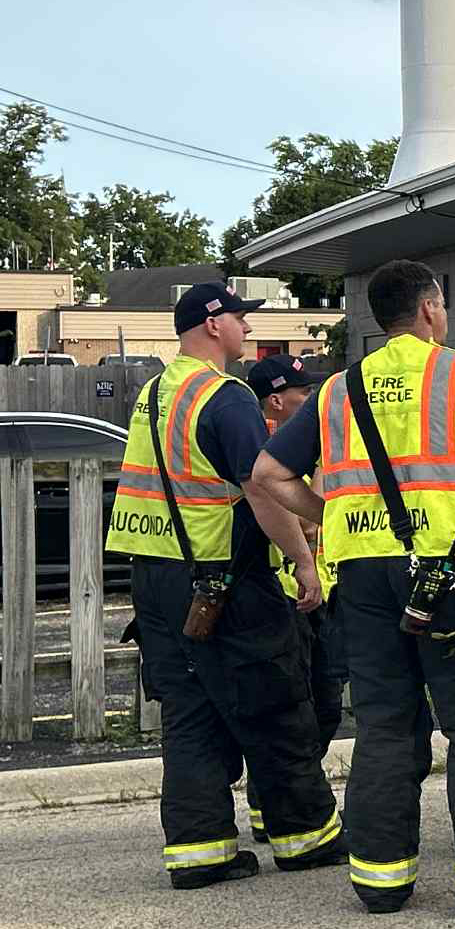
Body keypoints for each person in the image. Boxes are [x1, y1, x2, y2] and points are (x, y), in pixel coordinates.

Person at [247, 260, 455, 918]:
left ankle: (381, 877)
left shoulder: (339, 388)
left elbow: (267, 473)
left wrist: (330, 514)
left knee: (387, 720)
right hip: (451, 568)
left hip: (364, 575)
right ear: (430, 309)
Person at [105, 283, 344, 888]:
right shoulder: (225, 396)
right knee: (273, 700)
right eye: (240, 318)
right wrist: (304, 559)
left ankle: (199, 850)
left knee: (190, 715)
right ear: (213, 326)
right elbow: (262, 486)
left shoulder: (154, 393)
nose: (246, 328)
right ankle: (304, 838)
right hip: (222, 579)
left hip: (153, 580)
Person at [242, 353, 349, 844]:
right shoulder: (268, 448)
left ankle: (275, 804)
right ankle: (277, 807)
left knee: (324, 706)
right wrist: (324, 472)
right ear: (277, 400)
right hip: (288, 594)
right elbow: (306, 520)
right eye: (304, 395)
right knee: (299, 708)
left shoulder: (305, 446)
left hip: (323, 591)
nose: (313, 401)